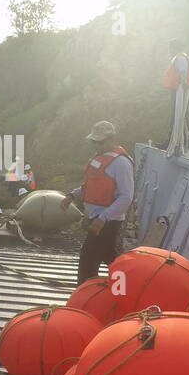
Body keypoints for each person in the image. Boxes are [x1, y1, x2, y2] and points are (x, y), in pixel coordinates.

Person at [61, 120, 134, 284]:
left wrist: (103, 218)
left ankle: (84, 295)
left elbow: (126, 197)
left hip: (108, 222)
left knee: (88, 260)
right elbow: (91, 186)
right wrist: (72, 196)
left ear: (112, 139)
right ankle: (122, 290)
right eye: (94, 142)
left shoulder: (121, 163)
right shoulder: (99, 159)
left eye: (100, 142)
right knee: (112, 259)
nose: (97, 146)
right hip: (96, 219)